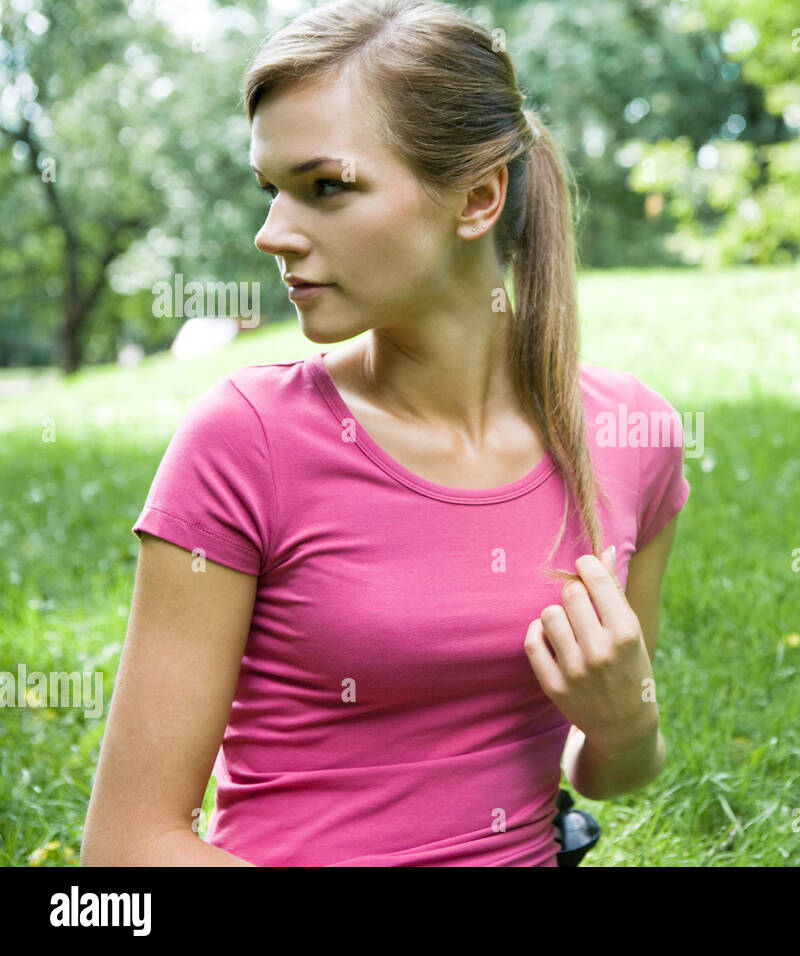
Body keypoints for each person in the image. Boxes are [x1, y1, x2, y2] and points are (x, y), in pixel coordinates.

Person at [80, 0, 689, 867]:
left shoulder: (633, 437)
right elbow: (126, 851)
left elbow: (612, 772)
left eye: (326, 187)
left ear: (477, 198)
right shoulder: (246, 441)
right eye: (272, 190)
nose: (271, 234)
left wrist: (629, 724)